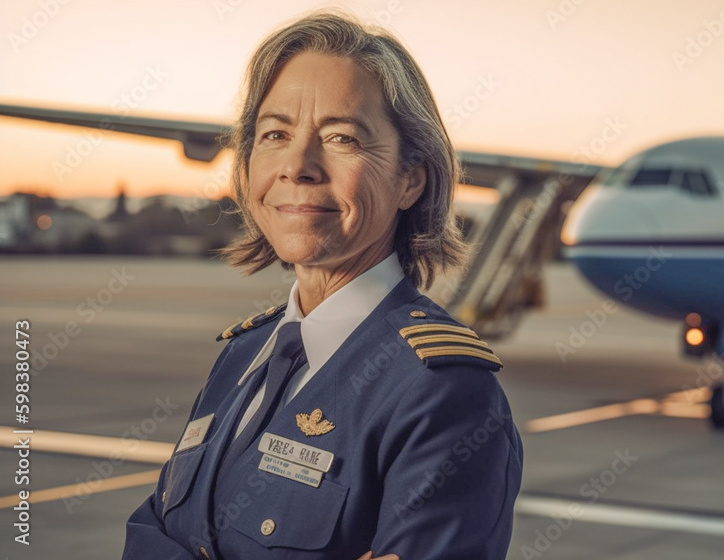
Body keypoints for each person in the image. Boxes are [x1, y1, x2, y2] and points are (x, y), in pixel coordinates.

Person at [122, 11, 522, 560]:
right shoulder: (243, 354)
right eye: (275, 134)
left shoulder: (444, 394)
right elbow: (150, 532)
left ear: (411, 178)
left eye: (342, 137)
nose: (298, 166)